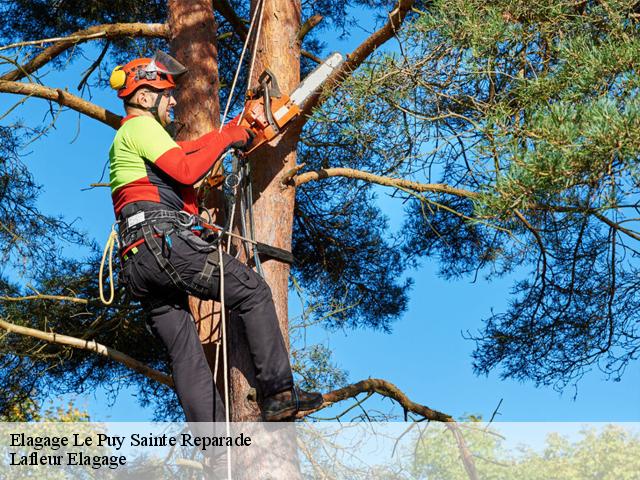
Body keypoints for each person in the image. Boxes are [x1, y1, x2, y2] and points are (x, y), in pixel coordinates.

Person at [108, 51, 322, 423]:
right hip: (163, 243)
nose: (173, 101)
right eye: (166, 93)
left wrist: (233, 133)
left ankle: (216, 448)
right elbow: (187, 169)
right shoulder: (139, 127)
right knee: (253, 291)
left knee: (185, 352)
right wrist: (228, 136)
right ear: (144, 97)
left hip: (138, 260)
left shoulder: (133, 140)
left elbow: (185, 153)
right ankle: (279, 394)